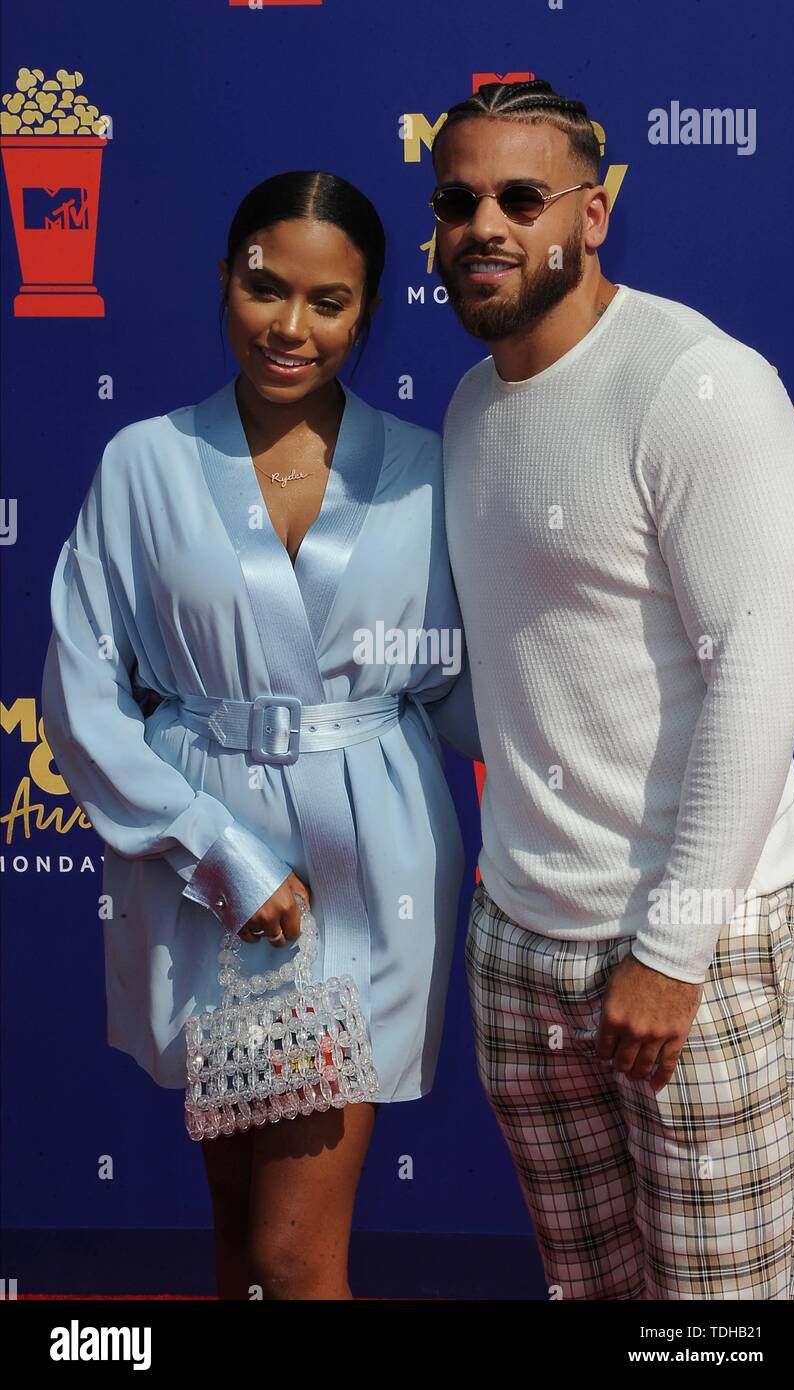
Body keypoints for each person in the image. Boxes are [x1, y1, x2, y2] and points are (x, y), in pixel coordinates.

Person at [41, 169, 482, 1301]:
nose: (291, 327)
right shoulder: (144, 462)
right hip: (202, 864)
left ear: (370, 310)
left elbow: (469, 688)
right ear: (223, 282)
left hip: (366, 871)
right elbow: (85, 695)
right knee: (239, 1242)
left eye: (327, 302)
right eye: (264, 289)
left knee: (295, 1256)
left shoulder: (433, 471)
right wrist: (216, 851)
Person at [434, 79, 794, 1300]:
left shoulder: (697, 385)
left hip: (691, 947)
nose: (484, 222)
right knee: (589, 1293)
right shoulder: (467, 406)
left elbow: (764, 673)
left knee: (718, 1321)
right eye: (457, 199)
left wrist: (675, 944)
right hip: (523, 944)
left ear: (592, 216)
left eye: (520, 196)